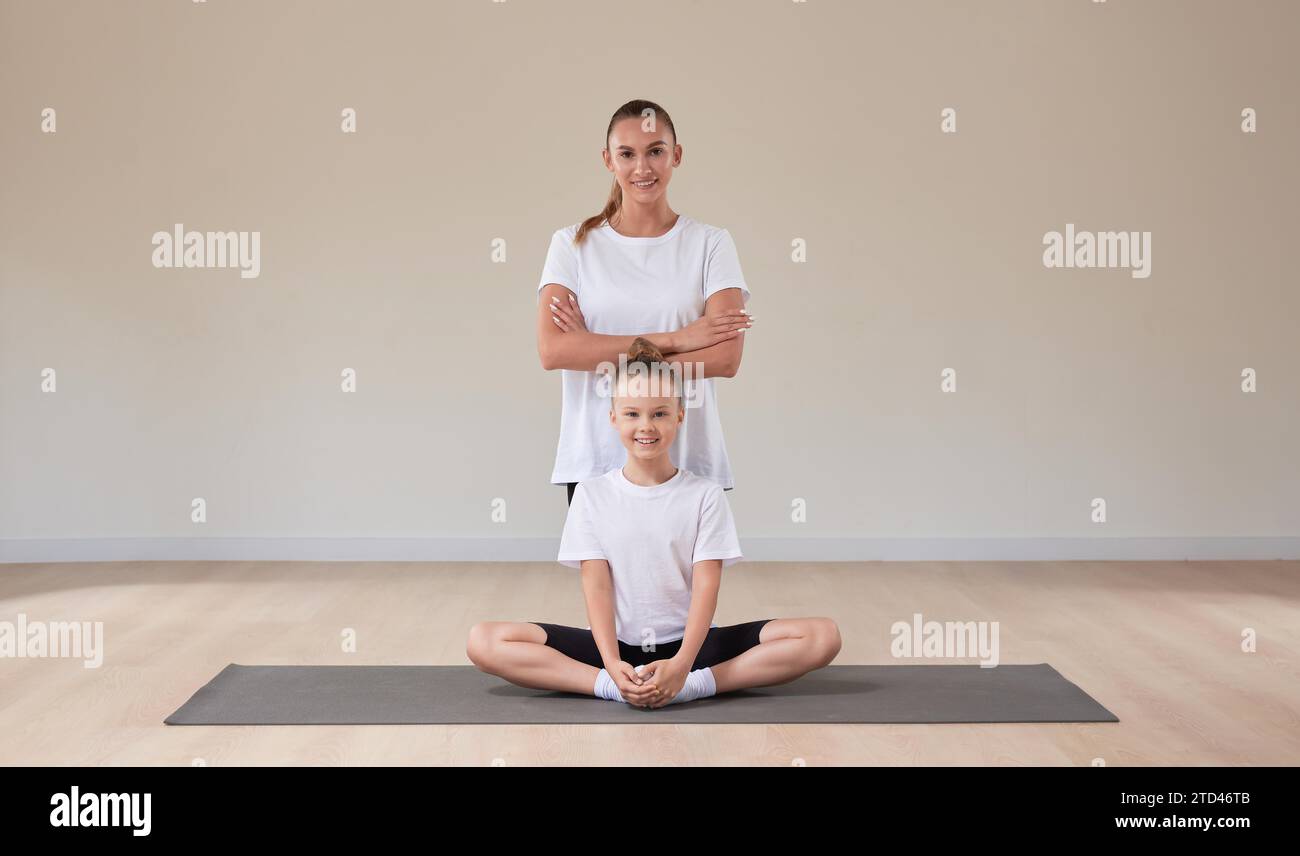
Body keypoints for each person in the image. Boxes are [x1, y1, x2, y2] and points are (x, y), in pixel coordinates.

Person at [467, 339, 841, 708]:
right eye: (632, 413)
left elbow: (706, 589)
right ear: (613, 417)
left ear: (680, 415)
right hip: (615, 647)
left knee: (822, 636)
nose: (646, 425)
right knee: (483, 641)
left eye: (659, 413)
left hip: (691, 646)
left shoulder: (705, 495)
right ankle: (609, 687)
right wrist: (612, 666)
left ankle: (694, 686)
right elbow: (596, 586)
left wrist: (682, 666)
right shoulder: (590, 494)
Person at [535, 98, 753, 506]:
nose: (643, 168)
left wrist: (598, 350)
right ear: (608, 160)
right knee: (601, 574)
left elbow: (725, 358)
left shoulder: (711, 244)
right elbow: (553, 351)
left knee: (691, 574)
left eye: (656, 151)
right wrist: (680, 338)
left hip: (689, 460)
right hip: (595, 460)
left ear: (677, 155)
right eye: (627, 154)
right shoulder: (571, 245)